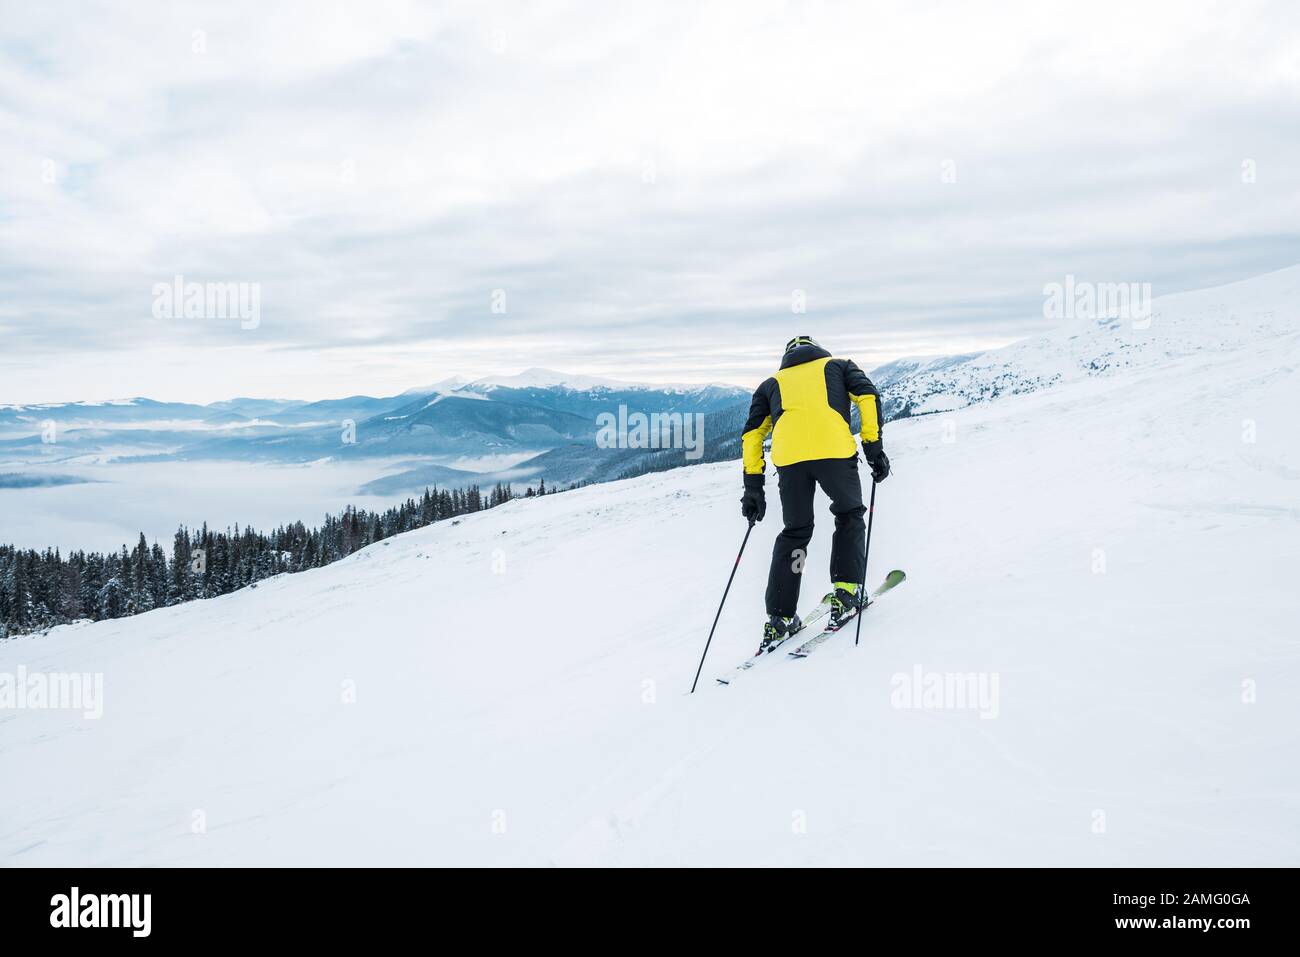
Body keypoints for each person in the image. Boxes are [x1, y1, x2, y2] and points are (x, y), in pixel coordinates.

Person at [739, 335, 890, 651]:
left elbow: (753, 435)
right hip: (834, 451)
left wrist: (753, 487)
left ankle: (779, 618)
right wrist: (873, 447)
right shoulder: (839, 366)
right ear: (817, 349)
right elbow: (868, 396)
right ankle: (847, 591)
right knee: (849, 515)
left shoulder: (771, 384)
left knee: (796, 532)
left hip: (790, 460)